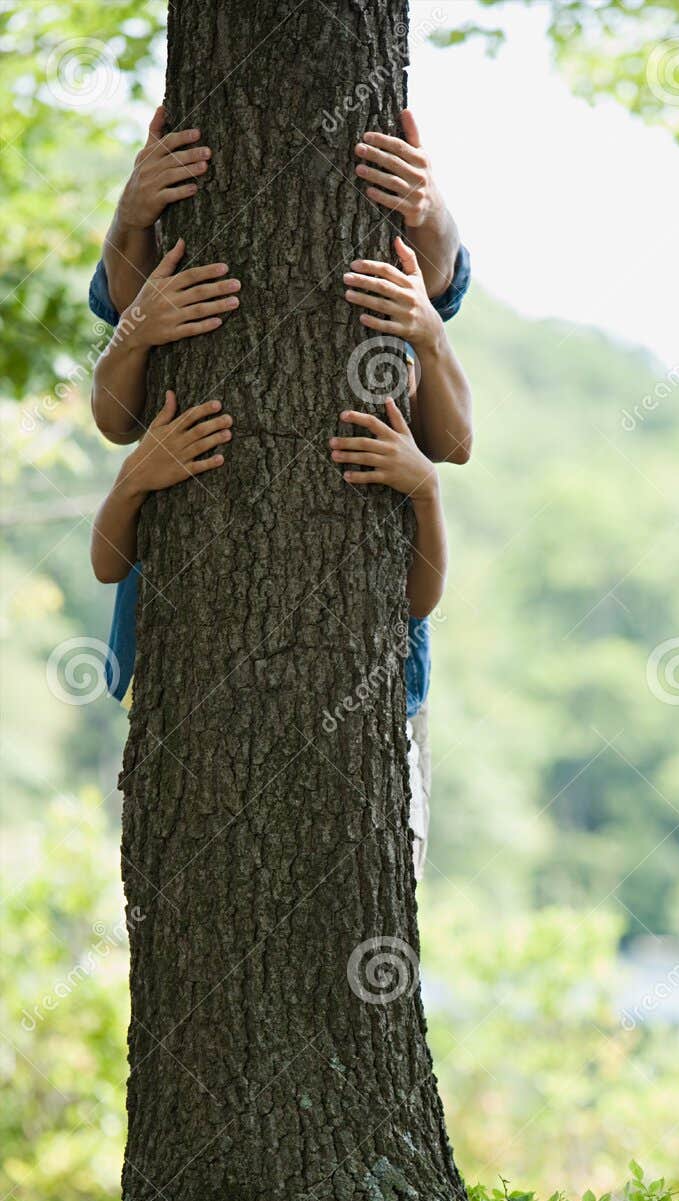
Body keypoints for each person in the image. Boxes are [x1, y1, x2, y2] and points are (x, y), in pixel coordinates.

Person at [88, 104, 472, 878]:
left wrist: (431, 268)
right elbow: (112, 417)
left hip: (362, 700)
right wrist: (130, 237)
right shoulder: (158, 272)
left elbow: (453, 440)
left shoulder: (407, 308)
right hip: (188, 684)